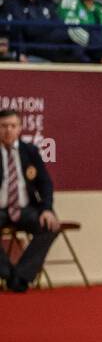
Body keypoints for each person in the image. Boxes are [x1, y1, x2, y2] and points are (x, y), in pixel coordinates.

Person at [0, 109, 60, 294]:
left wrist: (47, 209)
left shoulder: (30, 151)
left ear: (20, 128)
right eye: (3, 126)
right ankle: (7, 274)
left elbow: (45, 183)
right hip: (1, 209)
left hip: (25, 208)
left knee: (50, 227)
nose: (8, 130)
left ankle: (22, 275)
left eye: (13, 126)